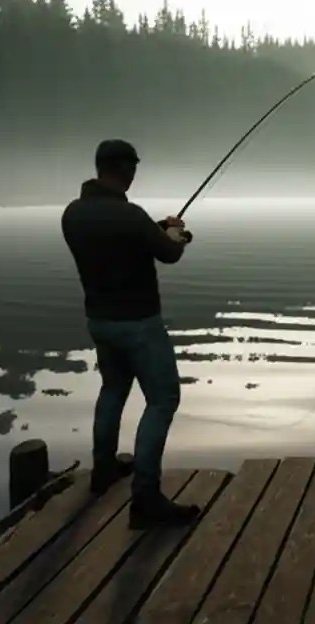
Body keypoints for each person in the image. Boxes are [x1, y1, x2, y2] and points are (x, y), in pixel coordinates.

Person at [61, 138, 199, 529]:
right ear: (125, 169)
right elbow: (168, 253)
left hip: (100, 323)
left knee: (113, 389)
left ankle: (103, 470)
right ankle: (146, 498)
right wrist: (176, 235)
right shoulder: (131, 215)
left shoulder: (73, 214)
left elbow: (121, 243)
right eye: (133, 167)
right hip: (139, 324)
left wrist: (154, 231)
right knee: (162, 400)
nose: (135, 173)